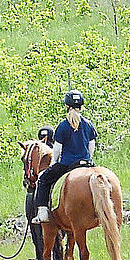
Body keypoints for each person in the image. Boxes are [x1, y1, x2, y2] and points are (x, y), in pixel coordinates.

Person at [32, 91, 97, 223]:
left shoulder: (63, 125)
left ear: (66, 106)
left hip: (68, 164)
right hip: (86, 162)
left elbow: (57, 149)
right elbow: (91, 146)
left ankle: (43, 212)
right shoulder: (88, 124)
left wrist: (54, 162)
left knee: (43, 180)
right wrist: (87, 159)